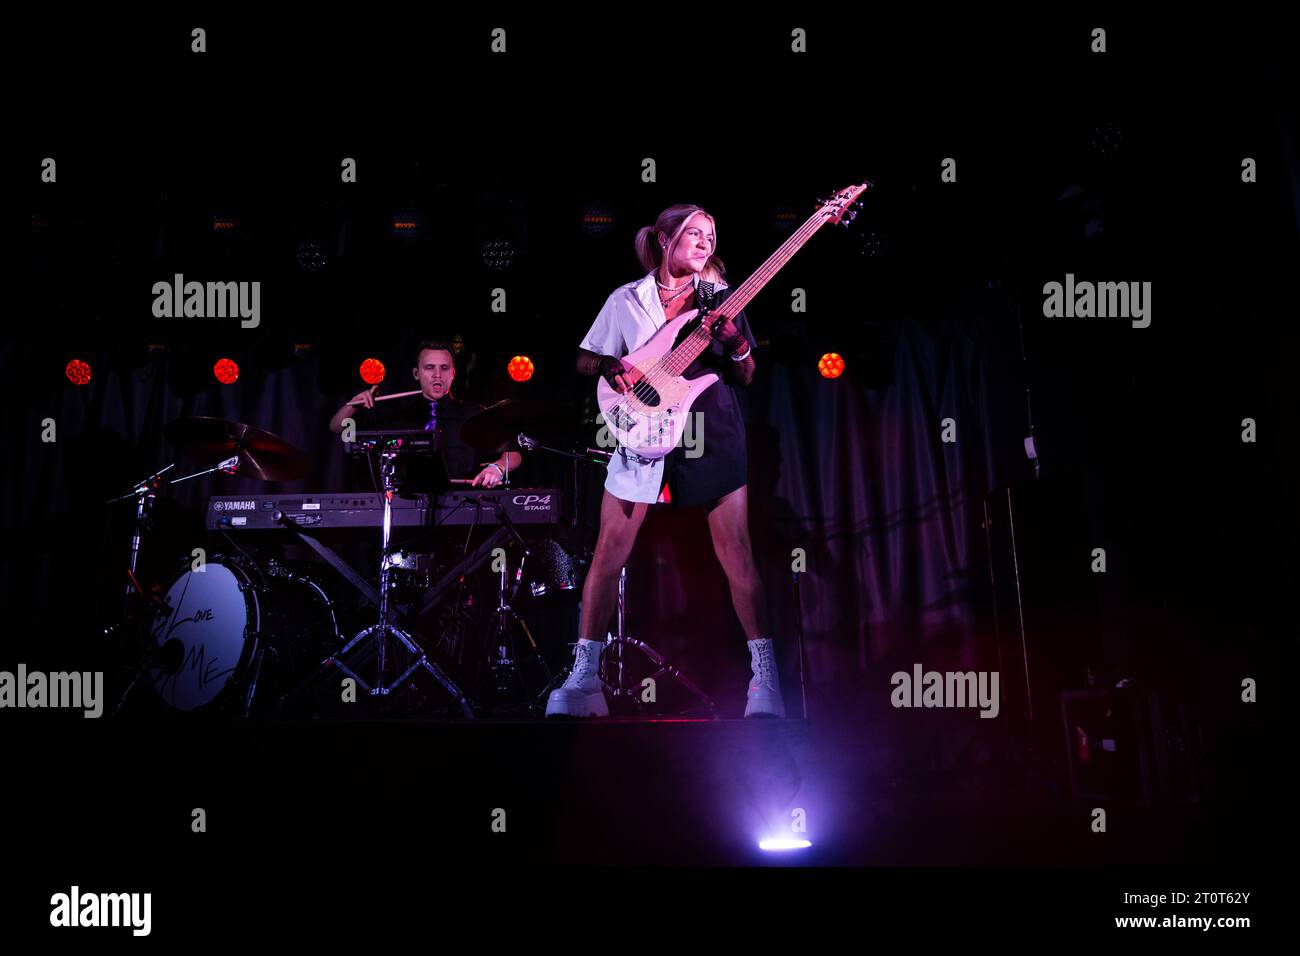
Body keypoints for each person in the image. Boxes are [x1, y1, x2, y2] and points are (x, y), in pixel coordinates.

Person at [545, 204, 783, 718]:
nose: (704, 242)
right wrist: (612, 366)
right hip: (641, 425)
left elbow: (745, 374)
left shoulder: (721, 298)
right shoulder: (625, 299)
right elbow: (585, 358)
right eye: (694, 233)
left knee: (735, 551)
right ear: (663, 239)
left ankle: (766, 682)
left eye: (711, 235)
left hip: (707, 427)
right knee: (608, 551)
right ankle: (586, 679)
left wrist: (736, 341)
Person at [329, 338, 521, 487]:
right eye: (429, 368)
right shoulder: (396, 413)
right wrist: (352, 404)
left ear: (453, 373)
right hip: (403, 507)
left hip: (460, 505)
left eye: (444, 368)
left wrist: (498, 468)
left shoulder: (474, 414)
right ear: (416, 373)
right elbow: (338, 427)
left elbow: (513, 454)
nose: (438, 375)